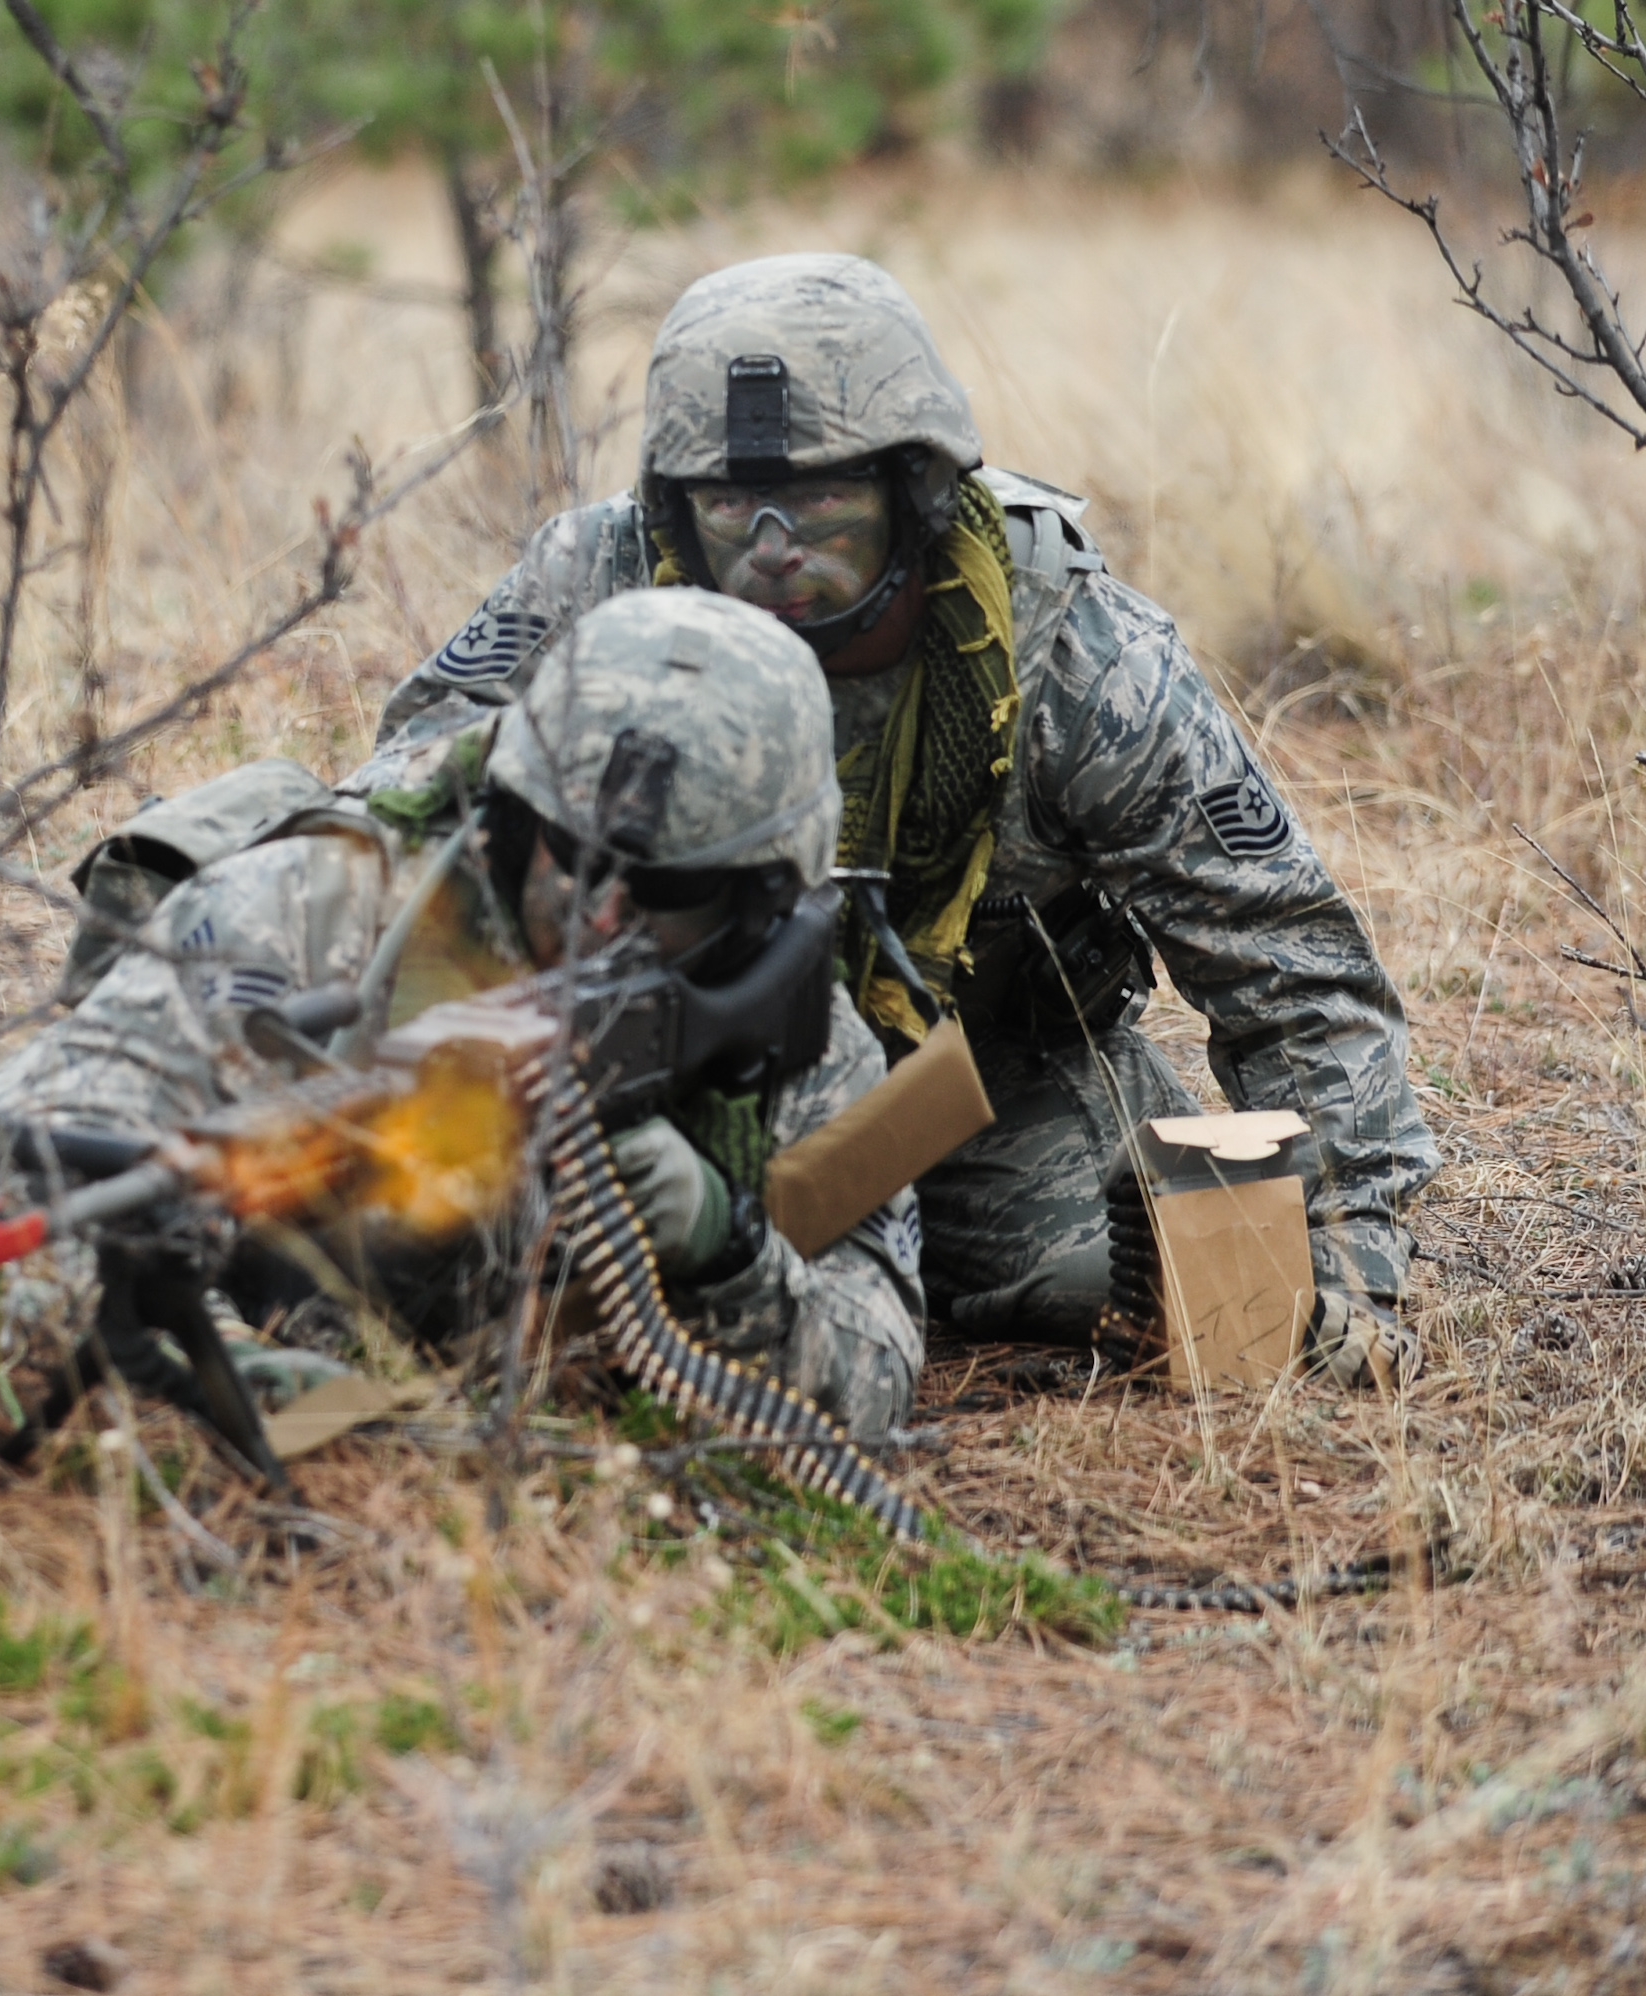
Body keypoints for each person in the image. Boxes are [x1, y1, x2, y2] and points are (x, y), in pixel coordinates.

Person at [0, 590, 926, 1452]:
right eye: (565, 868)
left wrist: (711, 1238)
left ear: (765, 900)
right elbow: (18, 1205)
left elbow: (873, 1372)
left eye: (659, 898)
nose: (595, 926)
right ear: (507, 819)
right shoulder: (308, 916)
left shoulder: (794, 1031)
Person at [362, 253, 1436, 1386]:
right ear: (677, 510)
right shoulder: (601, 585)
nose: (776, 550)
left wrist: (1357, 1264)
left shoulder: (1071, 648)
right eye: (734, 508)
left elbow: (1287, 960)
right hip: (653, 1060)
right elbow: (407, 802)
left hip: (980, 1089)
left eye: (827, 505)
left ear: (916, 495)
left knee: (1141, 1281)